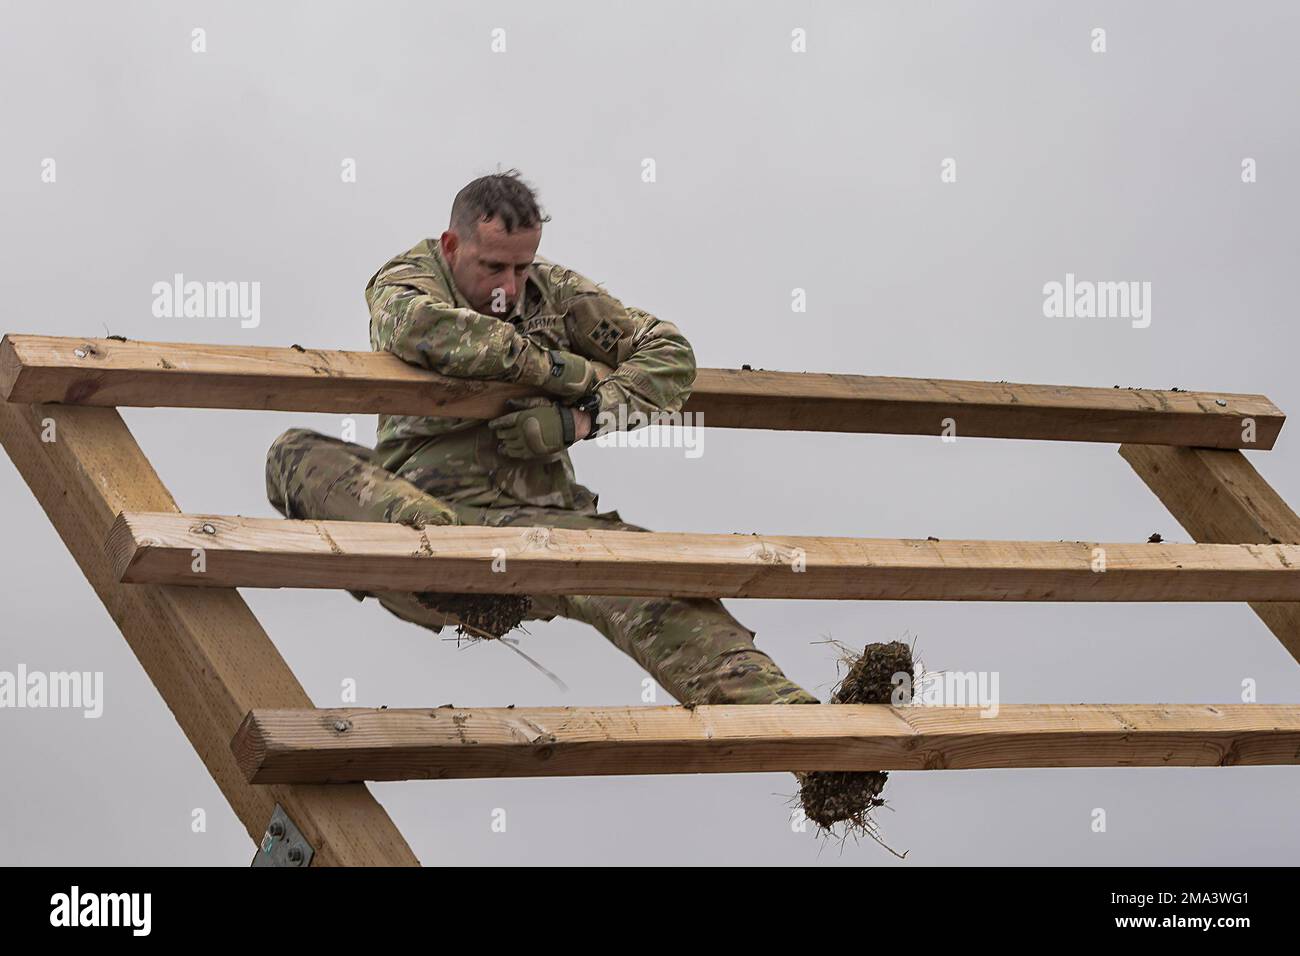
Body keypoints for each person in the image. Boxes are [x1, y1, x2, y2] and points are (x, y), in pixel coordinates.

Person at [265, 170, 818, 706]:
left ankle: (806, 733)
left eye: (521, 268)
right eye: (493, 267)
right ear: (452, 244)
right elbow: (423, 330)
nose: (508, 288)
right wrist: (563, 374)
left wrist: (584, 419)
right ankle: (452, 561)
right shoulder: (408, 281)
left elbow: (670, 355)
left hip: (542, 525)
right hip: (417, 523)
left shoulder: (556, 294)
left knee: (662, 586)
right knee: (294, 453)